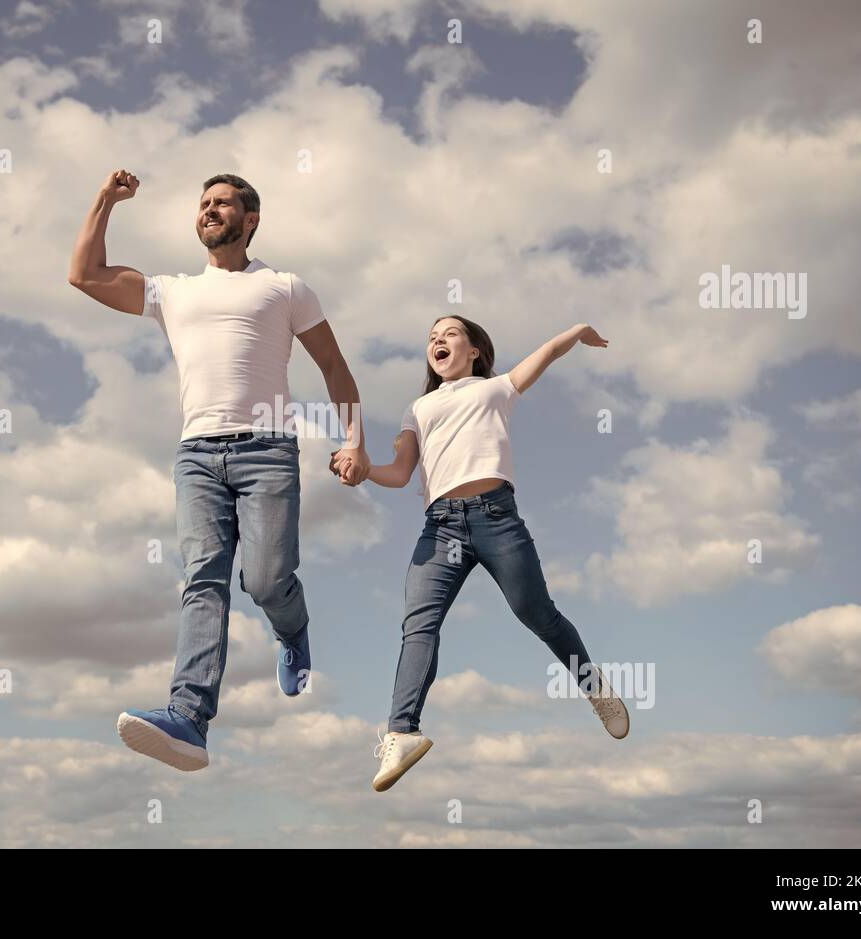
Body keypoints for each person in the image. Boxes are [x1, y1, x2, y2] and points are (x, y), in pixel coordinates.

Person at [69, 169, 371, 771]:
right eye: (202, 203)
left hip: (269, 453)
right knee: (203, 579)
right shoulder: (172, 291)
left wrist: (356, 440)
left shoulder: (286, 288)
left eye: (221, 203)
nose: (208, 210)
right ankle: (189, 717)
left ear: (250, 218)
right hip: (197, 455)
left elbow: (334, 366)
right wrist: (105, 200)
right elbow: (84, 275)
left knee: (264, 580)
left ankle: (292, 629)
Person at [331, 315, 629, 792]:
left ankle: (593, 687)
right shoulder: (419, 408)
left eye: (448, 334)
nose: (437, 341)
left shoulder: (497, 389)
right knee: (418, 625)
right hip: (441, 527)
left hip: (496, 519)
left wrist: (575, 332)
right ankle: (402, 731)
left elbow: (546, 353)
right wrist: (362, 470)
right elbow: (401, 472)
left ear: (474, 350)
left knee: (536, 613)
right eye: (430, 337)